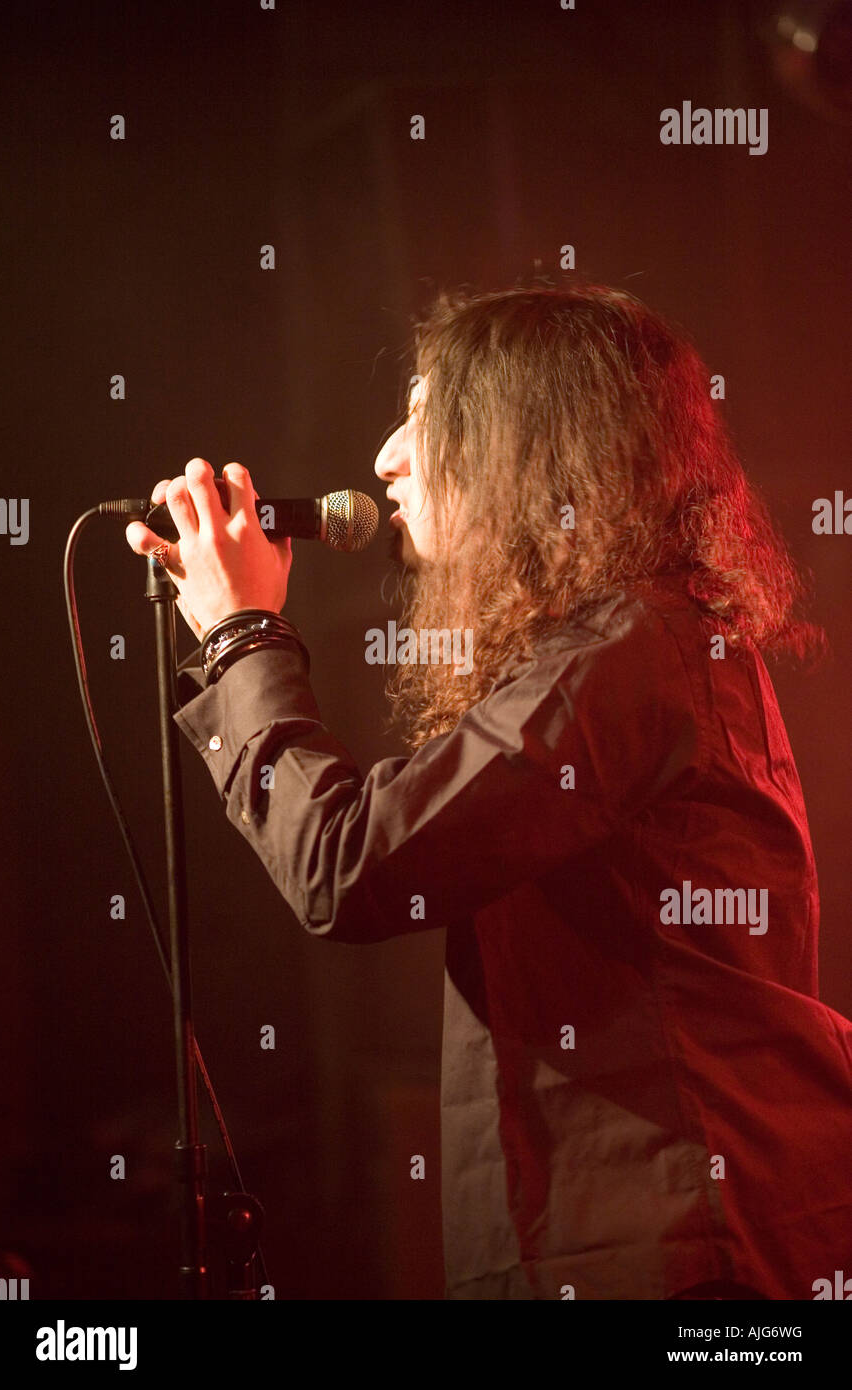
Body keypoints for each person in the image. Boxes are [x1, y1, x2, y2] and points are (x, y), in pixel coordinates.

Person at [125, 284, 852, 1301]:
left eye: (425, 415)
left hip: (684, 1250)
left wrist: (243, 633)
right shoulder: (631, 644)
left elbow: (347, 864)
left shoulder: (626, 650)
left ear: (528, 441)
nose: (384, 454)